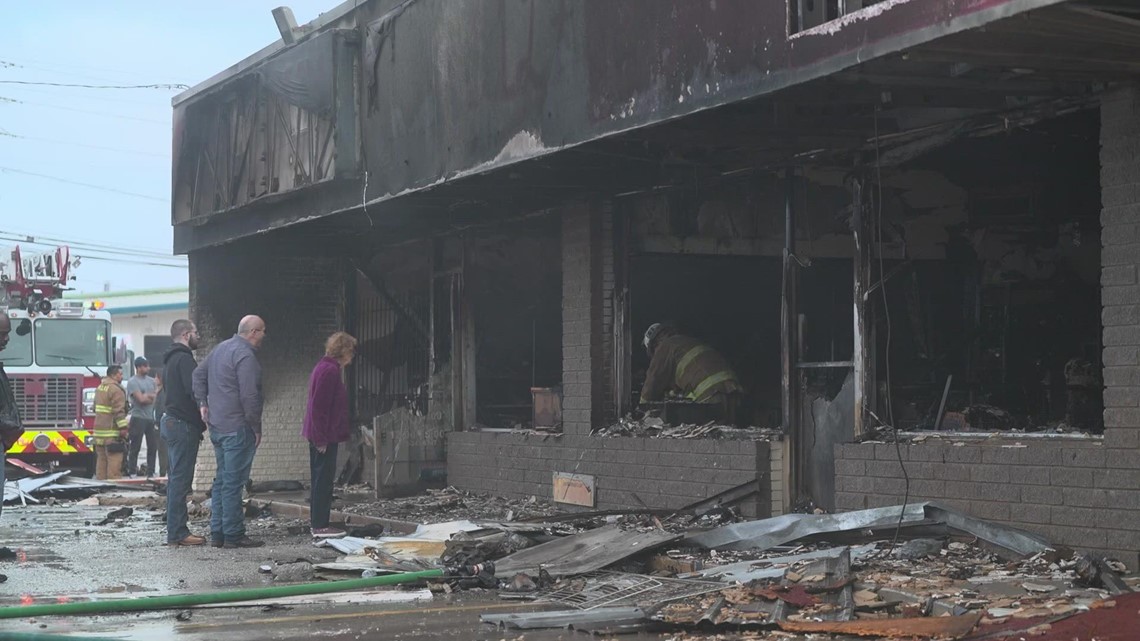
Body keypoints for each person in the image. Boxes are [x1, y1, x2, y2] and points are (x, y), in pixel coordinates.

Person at [193, 315, 266, 549]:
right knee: (233, 483)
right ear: (253, 332)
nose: (265, 335)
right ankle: (233, 534)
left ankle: (218, 533)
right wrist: (255, 427)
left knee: (223, 481)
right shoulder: (245, 356)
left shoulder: (220, 349)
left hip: (218, 427)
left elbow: (198, 375)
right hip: (238, 428)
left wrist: (203, 402)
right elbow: (249, 395)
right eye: (263, 331)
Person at [302, 332, 357, 539]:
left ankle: (318, 523)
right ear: (344, 352)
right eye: (351, 352)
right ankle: (320, 525)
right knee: (323, 480)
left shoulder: (324, 367)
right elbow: (319, 408)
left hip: (321, 433)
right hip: (323, 435)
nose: (352, 358)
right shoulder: (329, 371)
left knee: (321, 479)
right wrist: (321, 438)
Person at [639, 323, 744, 425]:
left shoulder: (664, 346)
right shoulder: (687, 342)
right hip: (733, 390)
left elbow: (653, 381)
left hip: (711, 393)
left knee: (708, 436)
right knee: (727, 434)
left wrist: (641, 409)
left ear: (653, 345)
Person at [161, 319, 208, 547]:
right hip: (182, 425)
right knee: (180, 480)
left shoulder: (170, 360)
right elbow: (195, 390)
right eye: (196, 332)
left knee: (175, 480)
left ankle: (176, 530)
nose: (199, 336)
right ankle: (178, 532)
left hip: (171, 422)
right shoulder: (184, 359)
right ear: (186, 334)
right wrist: (205, 411)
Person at [93, 365, 129, 480]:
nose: (121, 376)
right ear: (114, 375)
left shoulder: (100, 387)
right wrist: (123, 428)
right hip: (111, 432)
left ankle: (100, 484)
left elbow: (95, 408)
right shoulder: (116, 389)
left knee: (101, 460)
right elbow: (119, 411)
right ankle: (113, 485)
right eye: (120, 374)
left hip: (99, 432)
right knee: (115, 459)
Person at [126, 357, 159, 478]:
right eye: (145, 366)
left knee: (152, 446)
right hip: (138, 417)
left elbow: (153, 399)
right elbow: (140, 400)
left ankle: (151, 472)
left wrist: (147, 396)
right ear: (138, 367)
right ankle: (132, 471)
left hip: (150, 418)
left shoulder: (151, 381)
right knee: (135, 446)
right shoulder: (133, 382)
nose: (148, 368)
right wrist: (148, 396)